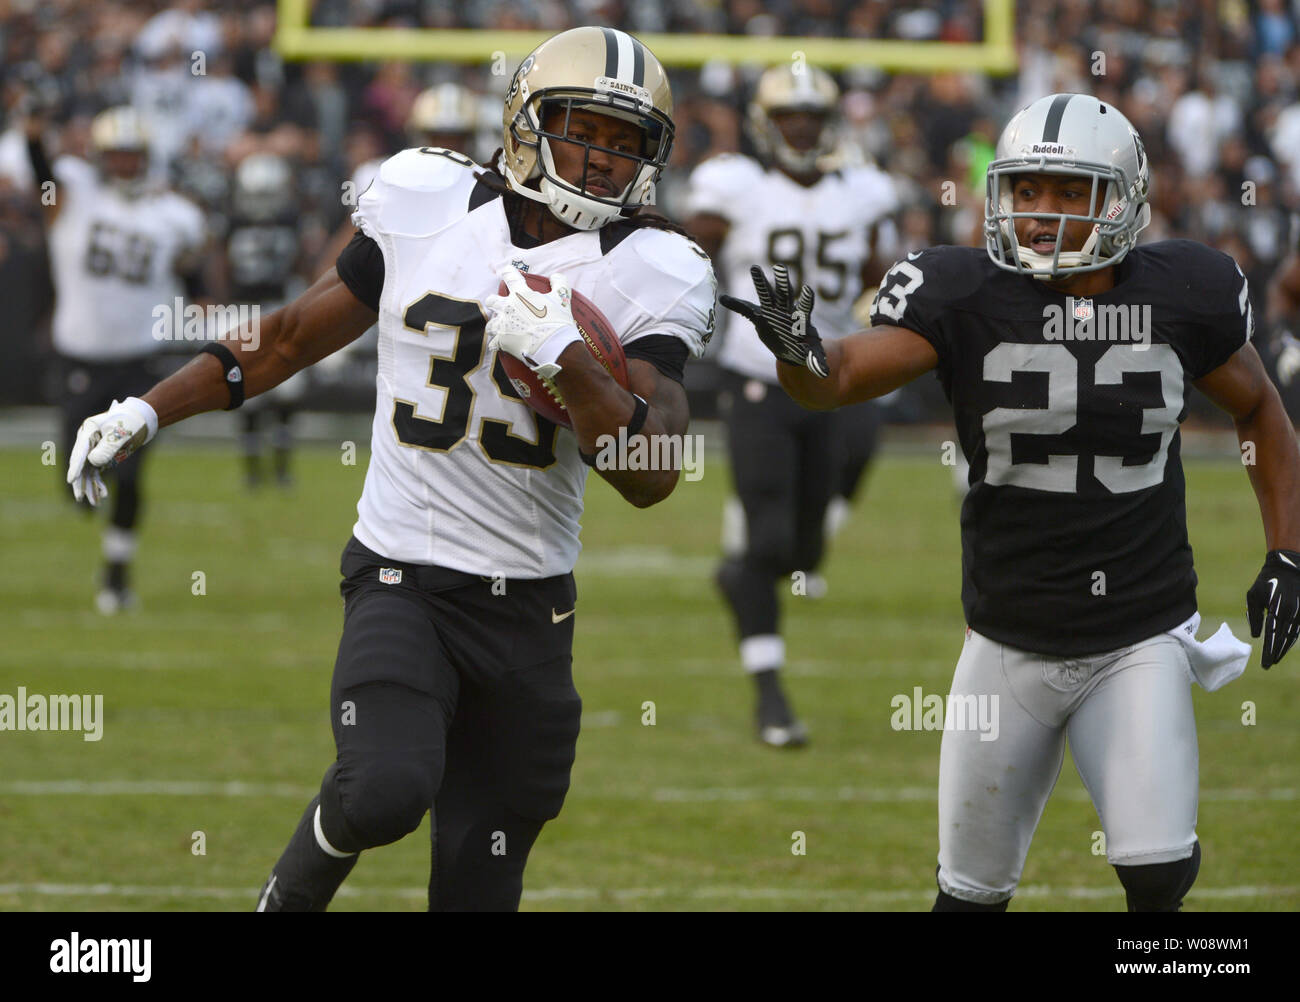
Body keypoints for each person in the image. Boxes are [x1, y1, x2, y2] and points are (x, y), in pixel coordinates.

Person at [66, 26, 715, 911]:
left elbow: (652, 470)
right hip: (402, 575)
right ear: (526, 121)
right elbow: (289, 337)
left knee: (480, 884)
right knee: (383, 786)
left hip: (529, 605)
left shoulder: (657, 265)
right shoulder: (427, 198)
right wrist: (148, 407)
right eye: (583, 130)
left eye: (625, 142)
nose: (602, 161)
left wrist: (567, 359)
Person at [722, 93, 1300, 910]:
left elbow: (1260, 410)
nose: (1043, 214)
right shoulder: (964, 292)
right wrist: (796, 350)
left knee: (1158, 871)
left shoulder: (1186, 291)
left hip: (1137, 633)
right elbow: (838, 379)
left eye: (1071, 193)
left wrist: (1286, 551)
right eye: (1028, 190)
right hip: (1006, 636)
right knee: (968, 897)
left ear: (1125, 198)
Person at [686, 64, 896, 747]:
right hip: (756, 378)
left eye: (811, 115)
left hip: (831, 378)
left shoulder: (865, 193)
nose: (801, 128)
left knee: (804, 555)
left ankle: (739, 577)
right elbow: (689, 252)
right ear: (764, 125)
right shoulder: (735, 187)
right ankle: (771, 697)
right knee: (770, 539)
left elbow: (880, 281)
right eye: (788, 116)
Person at [33, 105, 207, 614]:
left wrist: (199, 298)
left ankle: (115, 575)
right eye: (117, 156)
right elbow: (44, 173)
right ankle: (108, 557)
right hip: (80, 357)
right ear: (100, 158)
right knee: (76, 476)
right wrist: (31, 135)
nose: (127, 165)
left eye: (134, 156)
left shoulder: (172, 214)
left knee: (129, 473)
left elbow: (192, 266)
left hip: (141, 361)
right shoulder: (75, 196)